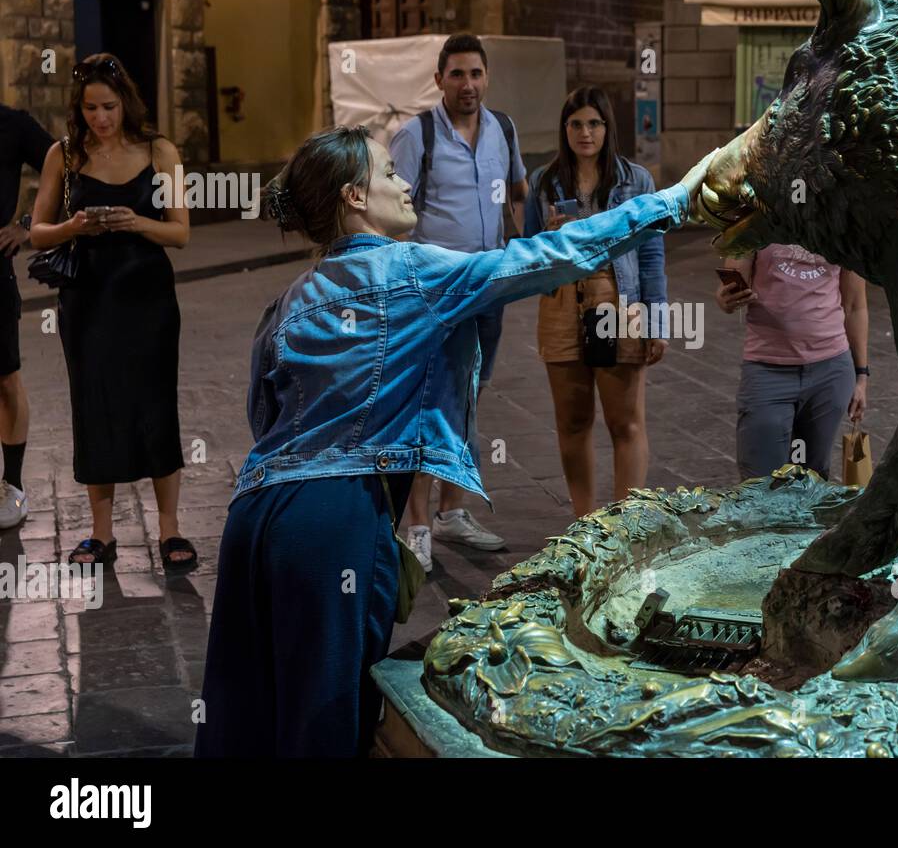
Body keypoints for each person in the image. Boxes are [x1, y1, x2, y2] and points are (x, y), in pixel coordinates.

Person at [193, 126, 711, 757]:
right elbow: (552, 254)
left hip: (253, 517)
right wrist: (674, 200)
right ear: (355, 196)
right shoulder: (413, 272)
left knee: (244, 716)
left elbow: (263, 417)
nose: (405, 182)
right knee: (325, 720)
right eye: (388, 173)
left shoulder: (287, 301)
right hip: (332, 522)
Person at [29, 53, 194, 571]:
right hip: (89, 300)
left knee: (155, 404)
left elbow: (181, 232)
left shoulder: (159, 150)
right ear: (78, 110)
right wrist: (74, 228)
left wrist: (134, 221)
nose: (101, 118)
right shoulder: (64, 155)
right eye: (91, 108)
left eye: (109, 106)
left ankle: (169, 530)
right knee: (95, 407)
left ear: (126, 103)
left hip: (147, 297)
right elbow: (37, 231)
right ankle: (102, 533)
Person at [389, 33, 527, 564]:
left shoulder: (503, 129)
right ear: (439, 78)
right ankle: (418, 529)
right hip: (435, 292)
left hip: (489, 287)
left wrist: (520, 244)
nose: (467, 84)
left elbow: (516, 194)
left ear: (486, 77)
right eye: (457, 74)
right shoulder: (416, 133)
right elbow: (393, 211)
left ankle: (451, 512)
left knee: (469, 397)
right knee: (431, 400)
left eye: (475, 74)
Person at [522, 86, 667, 518]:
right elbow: (528, 254)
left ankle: (622, 528)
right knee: (572, 421)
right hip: (563, 302)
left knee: (625, 421)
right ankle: (583, 524)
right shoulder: (543, 182)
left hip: (617, 301)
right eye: (576, 124)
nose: (585, 133)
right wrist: (548, 237)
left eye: (594, 123)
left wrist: (656, 322)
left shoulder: (636, 180)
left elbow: (652, 253)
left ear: (607, 128)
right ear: (565, 129)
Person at [715, 244, 869, 481]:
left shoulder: (840, 222)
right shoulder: (759, 216)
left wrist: (861, 376)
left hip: (831, 370)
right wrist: (726, 298)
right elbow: (732, 283)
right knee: (759, 482)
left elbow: (855, 307)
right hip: (767, 369)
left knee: (813, 480)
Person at [0, 103, 54, 529]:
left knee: (5, 379)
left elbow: (66, 169)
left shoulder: (12, 124)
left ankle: (12, 486)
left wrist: (27, 223)